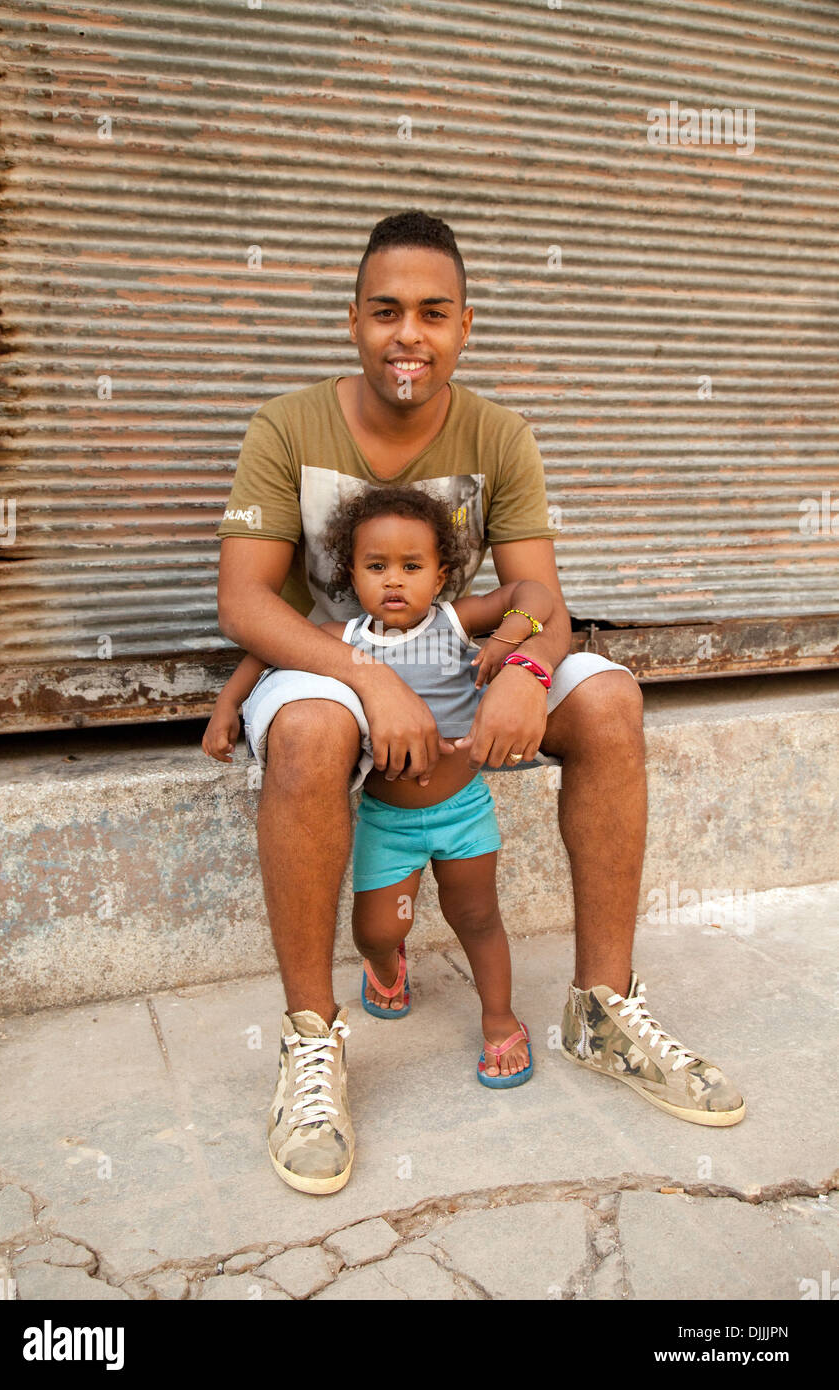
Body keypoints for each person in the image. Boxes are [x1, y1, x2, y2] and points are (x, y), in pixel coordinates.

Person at [211, 209, 746, 1196]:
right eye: (384, 311)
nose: (405, 334)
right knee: (313, 727)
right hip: (331, 670)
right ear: (351, 322)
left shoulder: (498, 433)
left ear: (462, 326)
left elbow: (542, 603)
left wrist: (528, 673)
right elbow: (242, 600)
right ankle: (310, 1043)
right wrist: (364, 675)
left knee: (609, 700)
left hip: (459, 668)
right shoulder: (286, 425)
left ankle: (598, 1009)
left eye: (430, 312)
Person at [205, 486, 563, 1104]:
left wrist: (514, 632)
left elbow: (534, 594)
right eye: (377, 567)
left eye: (412, 567)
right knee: (374, 929)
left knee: (476, 916)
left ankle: (500, 1021)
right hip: (387, 820)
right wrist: (226, 706)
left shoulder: (454, 621)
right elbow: (262, 649)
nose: (394, 581)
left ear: (442, 575)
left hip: (463, 811)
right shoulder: (344, 639)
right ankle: (386, 965)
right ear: (351, 574)